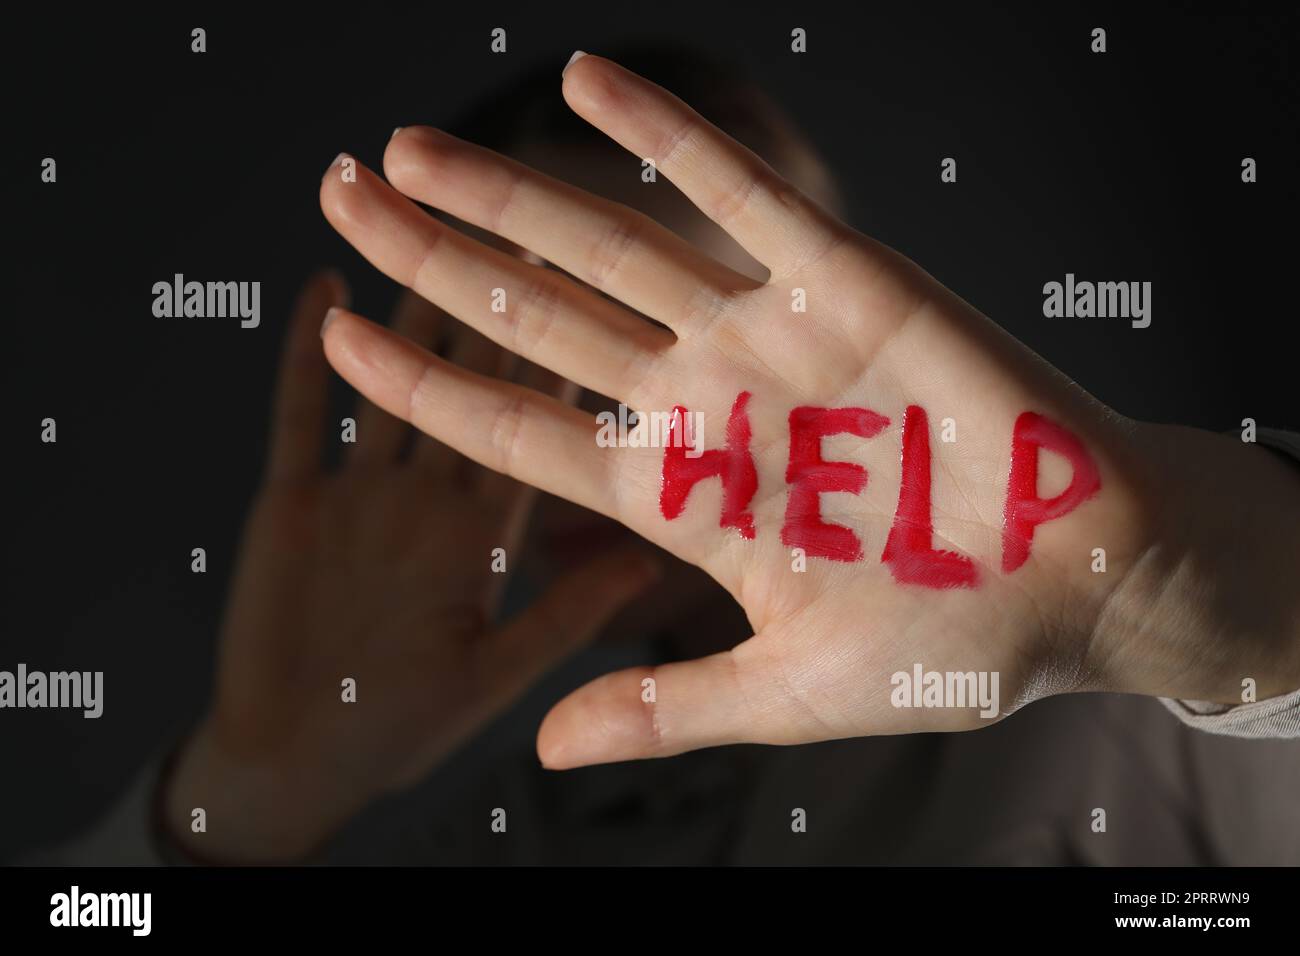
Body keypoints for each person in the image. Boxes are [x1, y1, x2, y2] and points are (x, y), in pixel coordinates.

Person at [33, 48, 1300, 866]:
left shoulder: (1152, 736)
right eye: (519, 350)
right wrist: (233, 805)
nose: (598, 413)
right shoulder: (490, 836)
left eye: (655, 334)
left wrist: (1207, 595)